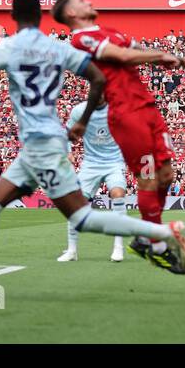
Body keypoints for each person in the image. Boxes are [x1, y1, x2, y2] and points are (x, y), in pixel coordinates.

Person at [0, 0, 185, 302]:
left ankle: (160, 233)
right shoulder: (58, 48)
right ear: (40, 17)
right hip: (42, 143)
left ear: (13, 16)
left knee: (81, 218)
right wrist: (84, 119)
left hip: (41, 144)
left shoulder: (5, 48)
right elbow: (98, 79)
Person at [51, 0, 185, 269]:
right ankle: (154, 241)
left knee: (166, 174)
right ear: (71, 14)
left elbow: (139, 49)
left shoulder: (110, 31)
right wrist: (162, 55)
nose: (87, 1)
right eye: (79, 0)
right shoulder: (80, 39)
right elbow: (122, 55)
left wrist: (178, 60)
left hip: (147, 107)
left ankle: (149, 236)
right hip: (125, 113)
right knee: (147, 178)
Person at [56, 99, 129, 263]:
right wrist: (67, 151)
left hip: (114, 162)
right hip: (91, 163)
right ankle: (72, 250)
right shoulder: (80, 111)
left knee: (117, 194)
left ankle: (118, 247)